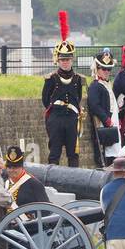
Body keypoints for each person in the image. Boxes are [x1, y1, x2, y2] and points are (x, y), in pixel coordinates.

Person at [41, 14, 81, 167]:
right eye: (62, 60)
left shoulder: (77, 79)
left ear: (72, 60)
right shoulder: (51, 79)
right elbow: (46, 100)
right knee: (54, 153)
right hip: (56, 118)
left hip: (72, 119)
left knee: (73, 154)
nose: (65, 63)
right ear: (58, 60)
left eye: (67, 59)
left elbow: (77, 98)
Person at [86, 49, 123, 167]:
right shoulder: (95, 86)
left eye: (109, 69)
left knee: (115, 154)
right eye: (103, 69)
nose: (106, 71)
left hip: (113, 125)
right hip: (105, 126)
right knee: (107, 157)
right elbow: (94, 105)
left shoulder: (107, 84)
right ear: (97, 68)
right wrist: (106, 120)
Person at [4, 145, 48, 209]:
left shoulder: (34, 184)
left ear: (22, 167)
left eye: (15, 167)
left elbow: (46, 209)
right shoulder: (5, 183)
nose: (11, 170)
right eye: (9, 167)